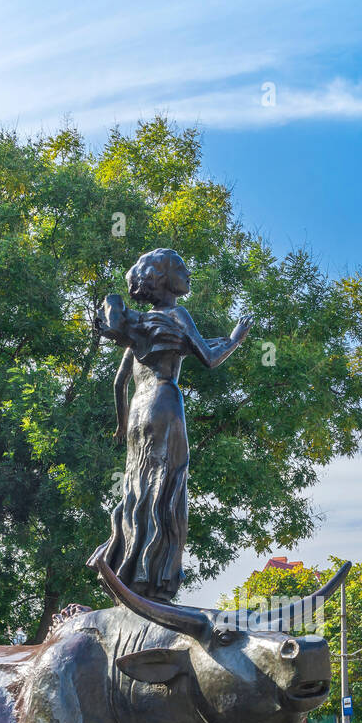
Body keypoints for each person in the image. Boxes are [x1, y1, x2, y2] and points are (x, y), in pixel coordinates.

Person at [95, 249, 252, 602]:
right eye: (182, 268)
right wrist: (236, 340)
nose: (188, 273)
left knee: (138, 491)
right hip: (165, 404)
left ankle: (128, 571)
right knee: (167, 489)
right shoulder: (178, 314)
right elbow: (210, 359)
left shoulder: (137, 326)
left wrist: (122, 427)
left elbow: (119, 383)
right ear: (163, 279)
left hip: (138, 412)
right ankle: (157, 580)